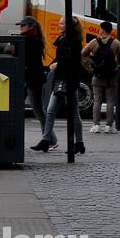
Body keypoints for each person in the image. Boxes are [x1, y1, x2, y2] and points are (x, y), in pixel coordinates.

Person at [33, 16, 87, 155]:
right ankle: (46, 140)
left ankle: (79, 143)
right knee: (50, 111)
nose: (59, 24)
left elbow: (73, 62)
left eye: (62, 23)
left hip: (69, 81)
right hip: (60, 80)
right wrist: (55, 63)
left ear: (69, 26)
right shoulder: (63, 40)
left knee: (73, 113)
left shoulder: (74, 41)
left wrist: (58, 64)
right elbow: (62, 58)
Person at [84, 21, 120, 134]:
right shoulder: (115, 43)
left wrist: (89, 68)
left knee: (97, 100)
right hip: (111, 77)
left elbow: (82, 54)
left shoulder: (94, 42)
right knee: (110, 101)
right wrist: (119, 68)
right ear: (110, 30)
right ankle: (109, 126)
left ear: (102, 29)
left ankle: (96, 125)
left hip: (97, 76)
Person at [17, 16, 48, 137]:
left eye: (23, 25)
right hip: (27, 78)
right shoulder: (27, 39)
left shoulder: (33, 41)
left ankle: (50, 138)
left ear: (31, 26)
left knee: (38, 110)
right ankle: (50, 138)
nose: (20, 28)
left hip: (33, 79)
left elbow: (27, 58)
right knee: (35, 110)